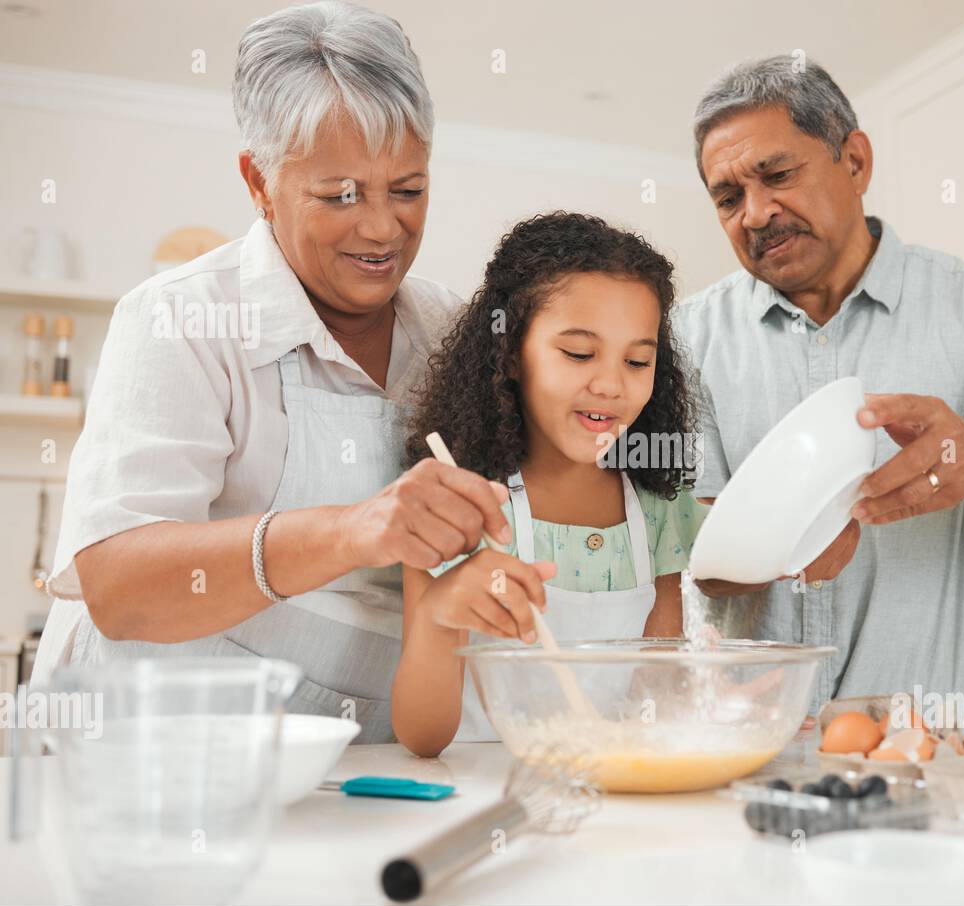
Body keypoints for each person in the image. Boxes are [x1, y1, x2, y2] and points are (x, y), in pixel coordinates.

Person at [30, 2, 506, 742]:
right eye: (340, 194)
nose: (382, 227)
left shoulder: (452, 332)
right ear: (259, 181)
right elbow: (117, 585)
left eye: (408, 190)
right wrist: (350, 530)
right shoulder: (182, 320)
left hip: (361, 765)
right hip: (151, 752)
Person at [677, 56, 964, 711]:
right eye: (728, 198)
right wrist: (773, 548)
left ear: (855, 161)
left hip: (928, 745)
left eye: (778, 175)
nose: (755, 212)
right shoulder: (685, 336)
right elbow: (689, 554)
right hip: (752, 741)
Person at [391, 212, 706, 755]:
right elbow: (422, 736)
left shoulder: (659, 505)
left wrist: (714, 702)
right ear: (511, 353)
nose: (610, 384)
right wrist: (439, 614)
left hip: (609, 785)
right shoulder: (454, 501)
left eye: (637, 361)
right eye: (579, 354)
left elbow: (658, 694)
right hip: (478, 787)